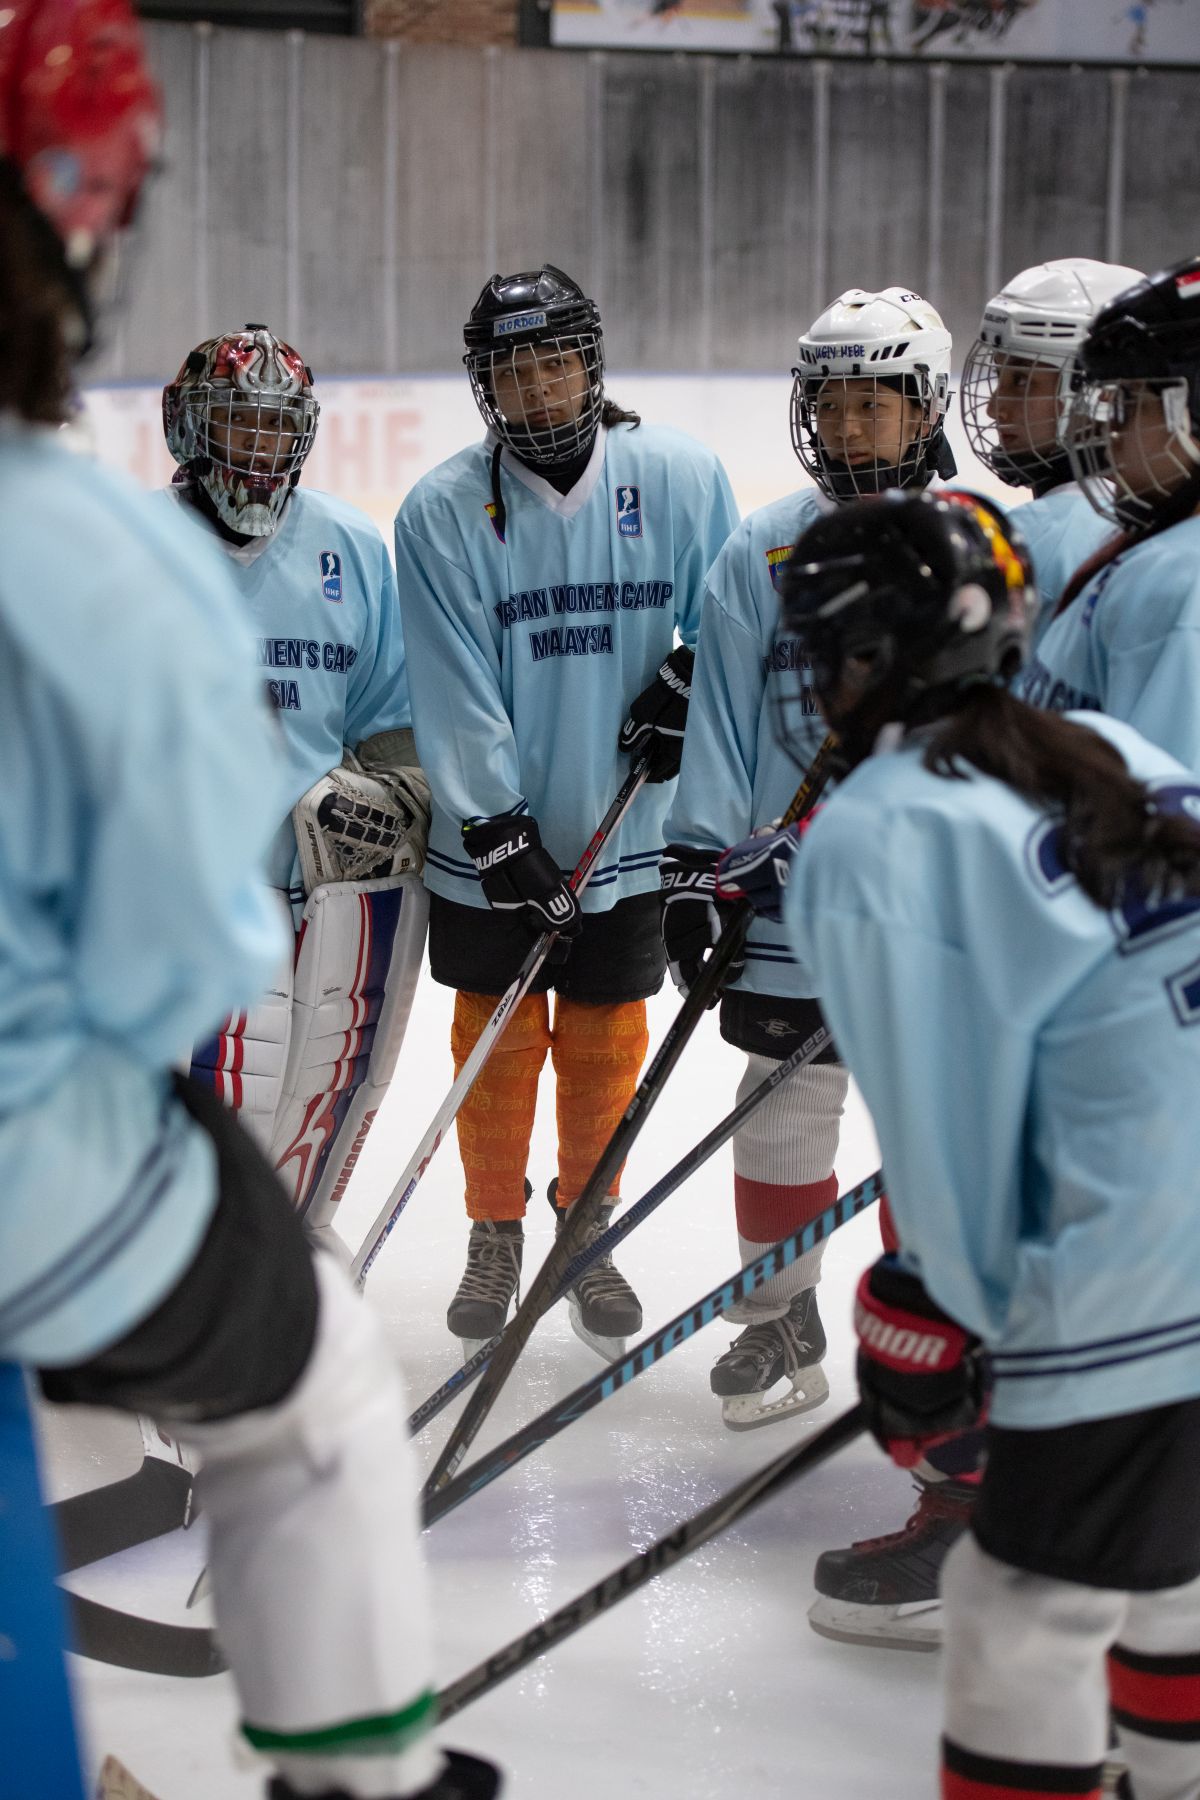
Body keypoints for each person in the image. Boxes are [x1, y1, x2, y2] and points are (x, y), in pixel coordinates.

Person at [0, 5, 496, 1796]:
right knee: (318, 1386)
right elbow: (167, 960)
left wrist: (390, 798)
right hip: (40, 1159)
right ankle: (360, 1771)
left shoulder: (323, 559)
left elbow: (391, 725)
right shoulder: (90, 546)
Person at [718, 487, 1200, 1800]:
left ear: (877, 654)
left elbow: (943, 1140)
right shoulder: (1102, 745)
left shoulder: (880, 828)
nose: (815, 676)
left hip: (1132, 1271)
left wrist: (937, 1305)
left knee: (1021, 1613)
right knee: (1176, 1583)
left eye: (828, 647)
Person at [803, 257, 1150, 1654]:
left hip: (1079, 1035)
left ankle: (991, 1512)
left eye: (1039, 378)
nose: (1005, 402)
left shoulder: (1140, 562)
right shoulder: (1084, 535)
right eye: (998, 372)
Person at [394, 264, 738, 1358]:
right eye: (512, 369)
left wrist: (693, 677)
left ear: (590, 363)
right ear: (483, 385)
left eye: (554, 362)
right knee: (496, 1038)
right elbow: (450, 681)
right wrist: (495, 823)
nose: (536, 387)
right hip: (493, 842)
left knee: (604, 1033)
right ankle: (493, 1233)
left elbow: (735, 618)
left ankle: (585, 1229)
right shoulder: (442, 511)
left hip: (630, 830)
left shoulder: (677, 476)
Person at [660, 286, 955, 1432]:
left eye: (870, 404)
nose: (844, 426)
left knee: (937, 1128)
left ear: (925, 408)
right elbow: (721, 724)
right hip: (785, 903)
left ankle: (940, 1332)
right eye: (827, 403)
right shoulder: (763, 544)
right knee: (779, 1110)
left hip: (932, 917)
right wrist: (696, 867)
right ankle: (779, 1319)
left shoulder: (977, 544)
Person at [160, 325, 431, 1244]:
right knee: (211, 1120)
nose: (260, 449)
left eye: (278, 428)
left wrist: (395, 799)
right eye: (240, 424)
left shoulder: (349, 544)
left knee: (322, 1097)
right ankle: (199, 1284)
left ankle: (286, 1265)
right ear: (191, 427)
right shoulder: (134, 546)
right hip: (190, 902)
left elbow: (386, 717)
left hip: (327, 898)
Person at [1020, 254, 1200, 774]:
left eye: (1130, 406)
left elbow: (1161, 809)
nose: (1109, 435)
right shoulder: (1161, 550)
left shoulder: (1179, 584)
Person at [960, 257, 1143, 647]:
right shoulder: (1151, 516)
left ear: (1100, 392)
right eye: (1000, 375)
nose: (994, 407)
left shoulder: (1034, 540)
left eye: (1022, 380)